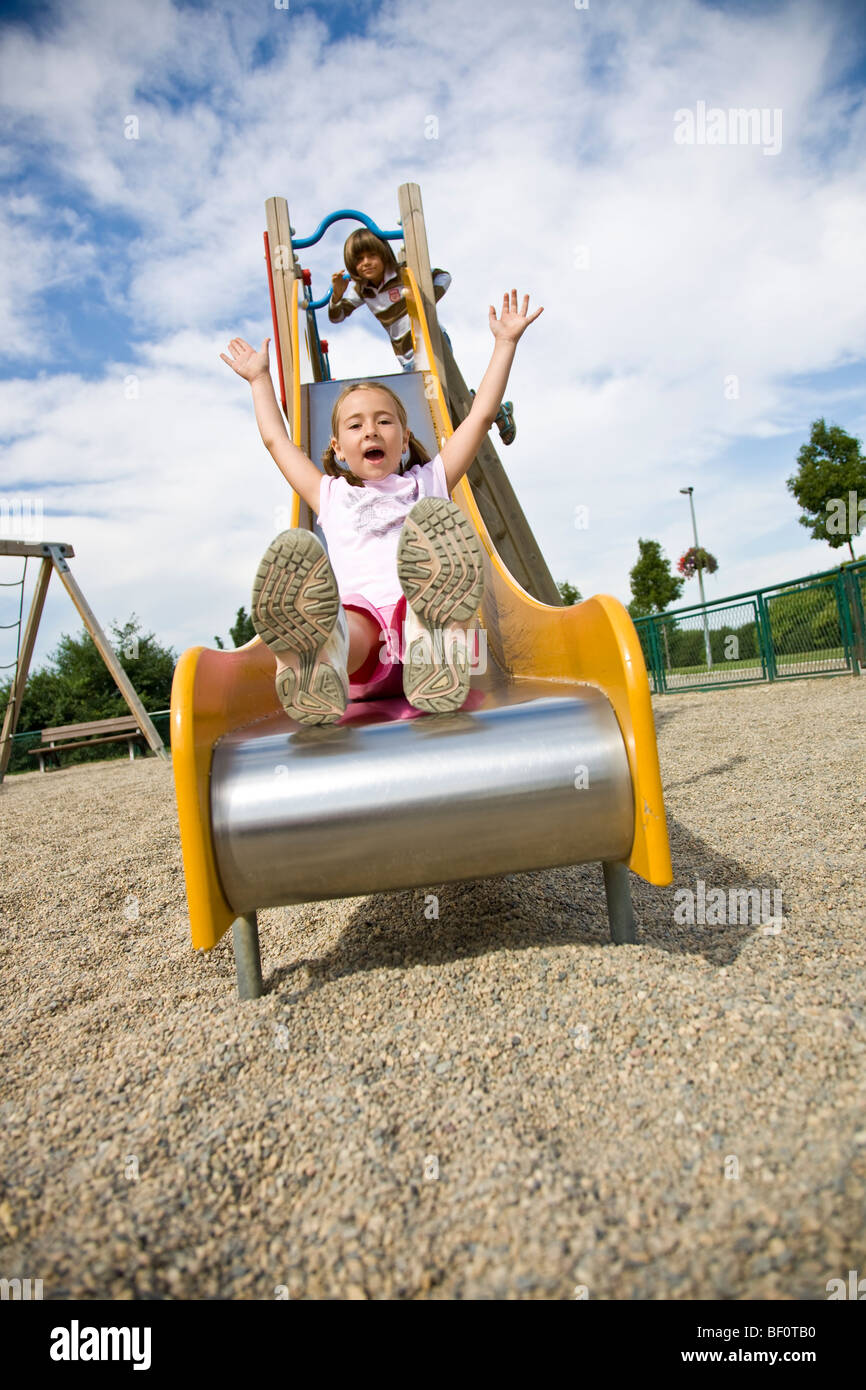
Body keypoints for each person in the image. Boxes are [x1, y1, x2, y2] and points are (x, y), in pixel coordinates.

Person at [220, 289, 543, 725]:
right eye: (356, 425)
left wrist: (505, 344)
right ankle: (317, 657)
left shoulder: (430, 481)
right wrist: (260, 380)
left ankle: (429, 647)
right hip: (362, 658)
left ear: (404, 437)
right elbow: (277, 441)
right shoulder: (329, 494)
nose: (371, 430)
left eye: (384, 421)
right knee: (349, 622)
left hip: (428, 643)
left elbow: (481, 417)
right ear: (337, 446)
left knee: (431, 599)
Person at [328, 228, 450, 372]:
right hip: (406, 357)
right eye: (359, 259)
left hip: (433, 341)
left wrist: (423, 303)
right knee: (419, 392)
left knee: (443, 385)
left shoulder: (402, 273)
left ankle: (469, 395)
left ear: (383, 255)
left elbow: (443, 276)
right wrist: (336, 295)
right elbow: (337, 317)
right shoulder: (362, 290)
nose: (366, 262)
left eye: (372, 256)